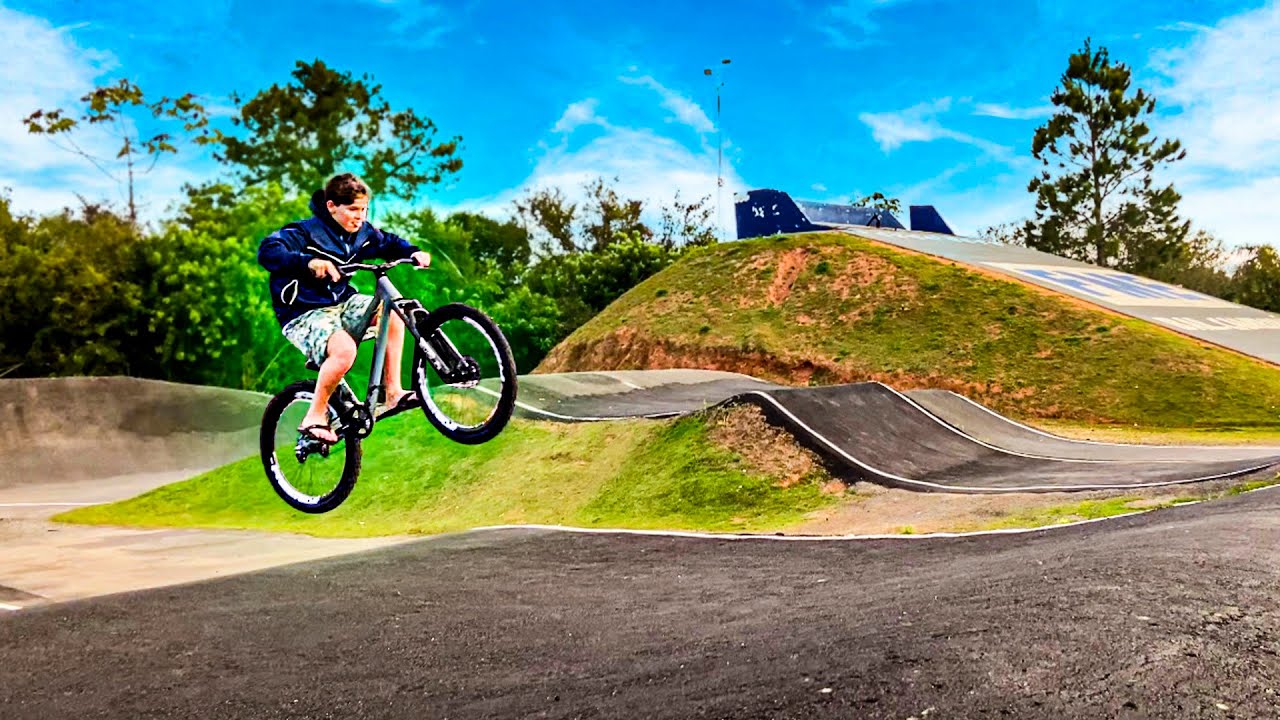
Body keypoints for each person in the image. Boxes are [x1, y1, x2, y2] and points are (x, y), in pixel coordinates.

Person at [258, 172, 431, 444]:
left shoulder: (362, 233)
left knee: (392, 311)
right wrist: (308, 263)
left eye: (364, 209)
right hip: (302, 312)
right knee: (345, 351)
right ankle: (314, 416)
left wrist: (412, 252)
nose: (359, 216)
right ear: (331, 206)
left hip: (342, 302)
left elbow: (389, 243)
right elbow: (268, 250)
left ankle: (393, 393)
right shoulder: (304, 232)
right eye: (352, 209)